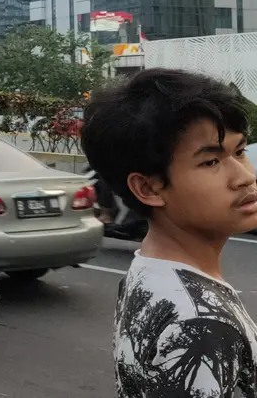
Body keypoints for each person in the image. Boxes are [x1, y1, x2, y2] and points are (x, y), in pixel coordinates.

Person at [81, 69, 257, 398]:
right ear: (148, 187)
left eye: (239, 152)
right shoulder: (200, 327)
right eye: (211, 162)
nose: (244, 177)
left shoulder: (148, 271)